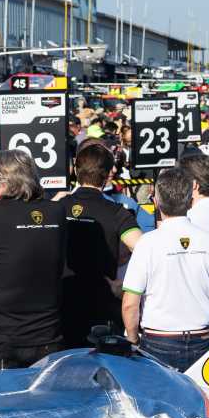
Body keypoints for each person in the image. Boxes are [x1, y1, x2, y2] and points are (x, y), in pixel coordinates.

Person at [123, 168, 209, 372]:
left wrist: (133, 340)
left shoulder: (147, 244)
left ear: (155, 202)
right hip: (202, 338)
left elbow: (130, 304)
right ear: (190, 201)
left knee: (160, 403)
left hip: (158, 340)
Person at [0, 150, 68, 371]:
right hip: (49, 336)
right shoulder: (56, 212)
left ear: (4, 182)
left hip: (4, 340)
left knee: (2, 403)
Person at [53, 144, 141, 347]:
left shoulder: (57, 207)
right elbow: (144, 249)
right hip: (102, 307)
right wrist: (127, 287)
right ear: (109, 175)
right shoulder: (117, 212)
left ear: (76, 170)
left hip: (61, 306)